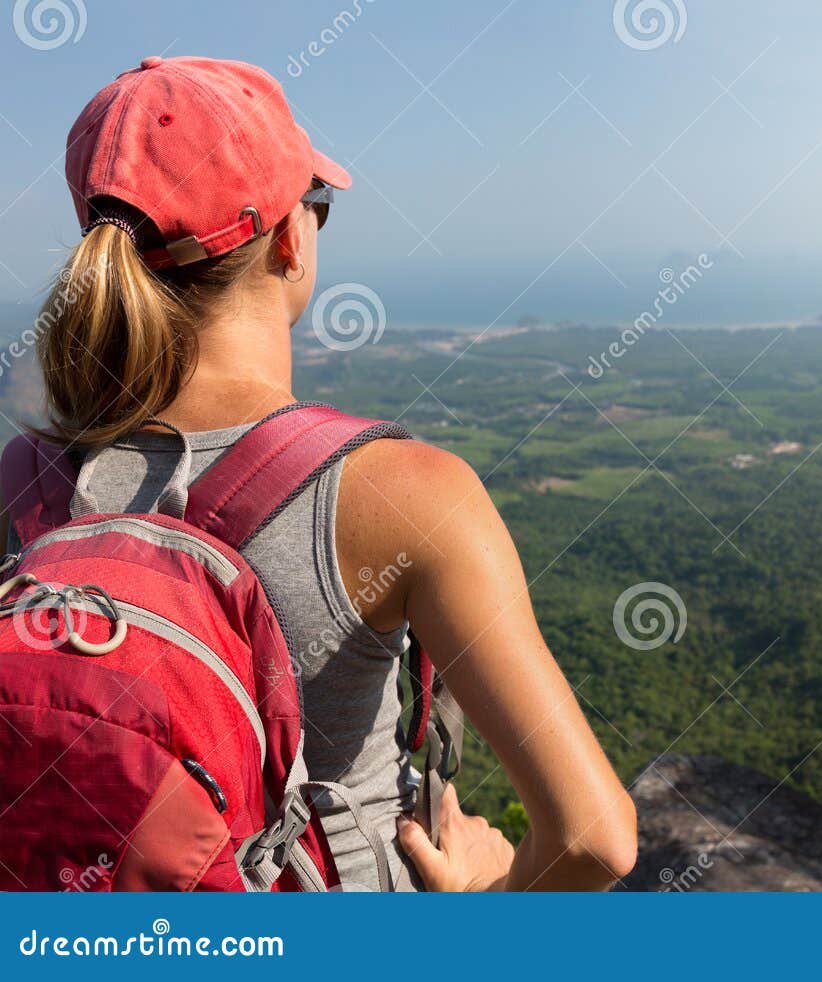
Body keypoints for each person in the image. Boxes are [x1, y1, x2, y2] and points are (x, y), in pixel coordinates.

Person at [4, 55, 635, 891]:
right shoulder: (405, 494)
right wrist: (482, 895)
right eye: (316, 207)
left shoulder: (26, 477)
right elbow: (593, 838)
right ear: (290, 239)